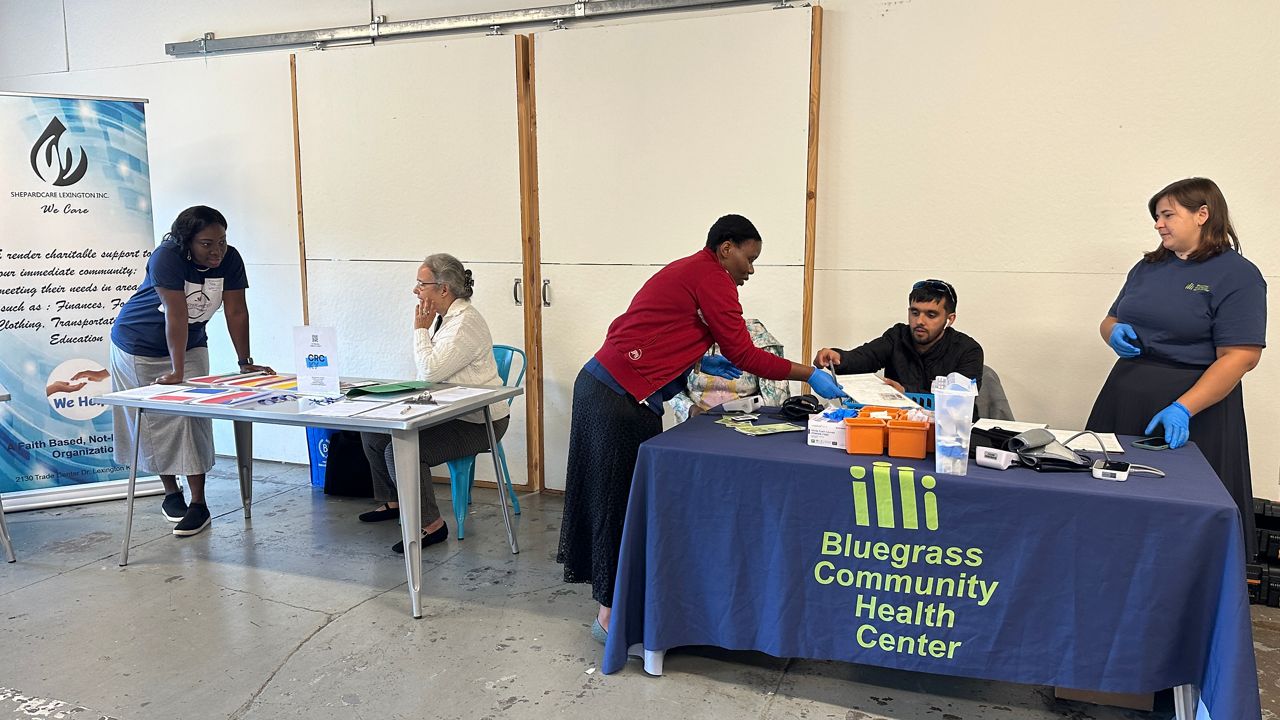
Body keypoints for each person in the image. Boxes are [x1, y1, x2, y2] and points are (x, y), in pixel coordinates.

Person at [555, 214, 846, 643]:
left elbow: (647, 328)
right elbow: (746, 354)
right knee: (619, 502)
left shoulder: (690, 270)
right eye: (749, 258)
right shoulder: (712, 277)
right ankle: (610, 619)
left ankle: (621, 602)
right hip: (616, 398)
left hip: (607, 388)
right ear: (726, 248)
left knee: (619, 498)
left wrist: (697, 360)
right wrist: (809, 375)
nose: (751, 270)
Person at [1087, 178, 1266, 557]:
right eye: (1156, 216)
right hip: (1125, 398)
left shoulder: (1237, 275)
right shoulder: (1148, 267)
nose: (1158, 224)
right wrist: (1111, 331)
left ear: (1202, 214)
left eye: (1167, 215)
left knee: (1181, 516)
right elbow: (1111, 318)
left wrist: (1184, 408)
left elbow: (1241, 356)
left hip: (1196, 409)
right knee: (1109, 509)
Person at [110, 205, 272, 537]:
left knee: (192, 418)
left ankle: (199, 503)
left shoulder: (230, 259)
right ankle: (171, 492)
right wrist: (176, 371)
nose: (217, 251)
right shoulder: (166, 257)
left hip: (192, 342)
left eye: (221, 241)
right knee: (153, 421)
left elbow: (236, 310)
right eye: (206, 244)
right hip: (137, 343)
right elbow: (175, 312)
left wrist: (245, 362)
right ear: (186, 241)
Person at [357, 253, 509, 554]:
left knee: (402, 451)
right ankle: (394, 501)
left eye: (421, 284)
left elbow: (429, 371)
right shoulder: (445, 317)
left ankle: (432, 524)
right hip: (449, 411)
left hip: (478, 421)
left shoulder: (464, 324)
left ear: (443, 289)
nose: (415, 290)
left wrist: (420, 330)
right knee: (373, 433)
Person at [813, 279, 984, 394]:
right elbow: (866, 357)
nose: (920, 321)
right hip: (900, 426)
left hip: (950, 431)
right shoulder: (897, 336)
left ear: (950, 319)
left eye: (931, 315)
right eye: (914, 312)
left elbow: (959, 398)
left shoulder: (968, 350)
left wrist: (905, 392)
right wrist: (838, 357)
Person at [669, 318, 791, 422]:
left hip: (748, 422)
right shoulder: (685, 337)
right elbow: (668, 385)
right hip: (695, 423)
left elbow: (775, 399)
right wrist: (691, 409)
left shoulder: (757, 337)